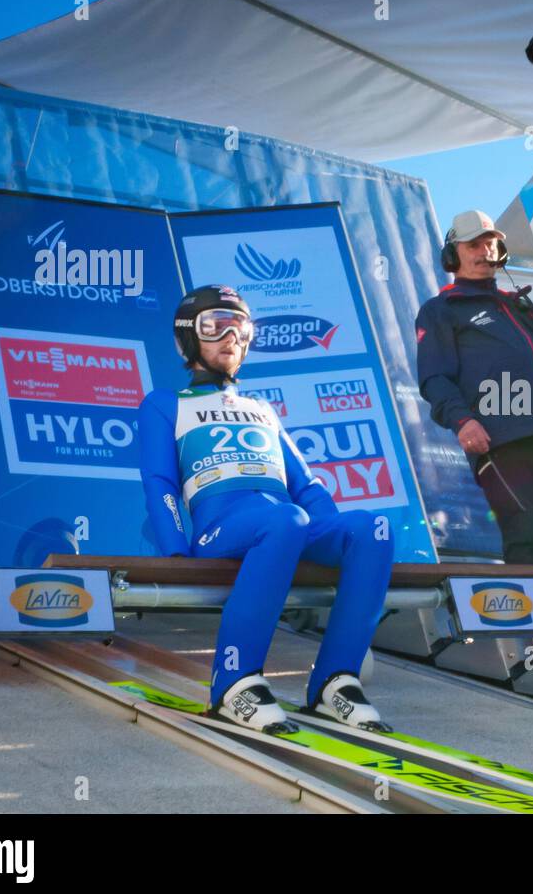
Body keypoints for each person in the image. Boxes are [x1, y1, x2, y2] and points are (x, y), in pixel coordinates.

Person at [138, 284, 393, 734]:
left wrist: (333, 538)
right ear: (187, 338)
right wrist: (174, 553)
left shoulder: (262, 409)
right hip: (219, 529)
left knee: (372, 529)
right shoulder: (165, 404)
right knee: (286, 518)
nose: (230, 337)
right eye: (215, 325)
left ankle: (336, 681)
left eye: (240, 327)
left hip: (280, 524)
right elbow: (159, 483)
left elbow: (306, 485)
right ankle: (235, 683)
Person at [415, 210, 533, 565]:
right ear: (452, 255)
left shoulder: (525, 307)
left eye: (491, 243)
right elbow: (434, 378)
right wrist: (463, 421)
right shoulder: (440, 310)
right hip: (499, 442)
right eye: (474, 244)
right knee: (523, 540)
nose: (485, 251)